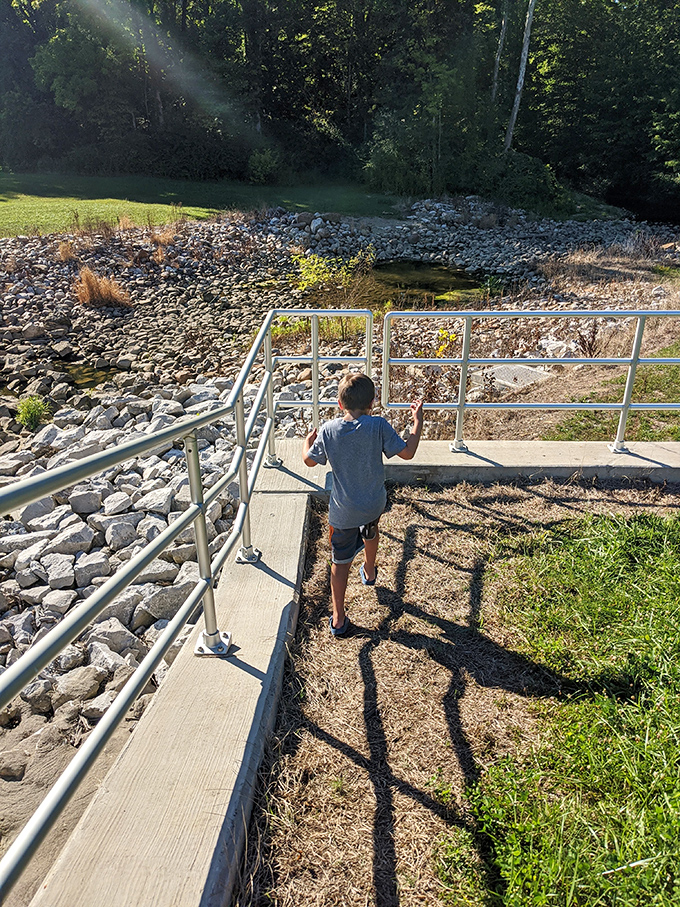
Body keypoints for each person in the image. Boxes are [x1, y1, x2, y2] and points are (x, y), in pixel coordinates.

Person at [302, 372, 423, 637]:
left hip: (343, 511)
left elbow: (309, 461)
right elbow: (408, 452)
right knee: (371, 531)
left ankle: (338, 617)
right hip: (373, 504)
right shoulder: (378, 426)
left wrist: (306, 444)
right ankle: (369, 571)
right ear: (372, 403)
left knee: (340, 562)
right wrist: (417, 422)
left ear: (339, 403)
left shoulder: (328, 430)